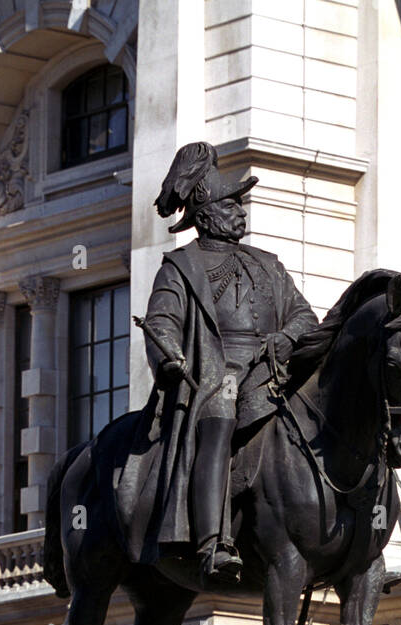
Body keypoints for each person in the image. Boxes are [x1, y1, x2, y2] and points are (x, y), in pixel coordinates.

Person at [132, 140, 318, 585]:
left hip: (273, 367)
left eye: (240, 202)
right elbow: (162, 322)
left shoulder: (269, 264)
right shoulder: (179, 267)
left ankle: (354, 543)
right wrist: (170, 360)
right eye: (232, 202)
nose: (241, 210)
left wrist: (287, 337)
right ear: (206, 209)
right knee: (219, 414)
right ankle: (212, 542)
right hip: (216, 371)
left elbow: (304, 315)